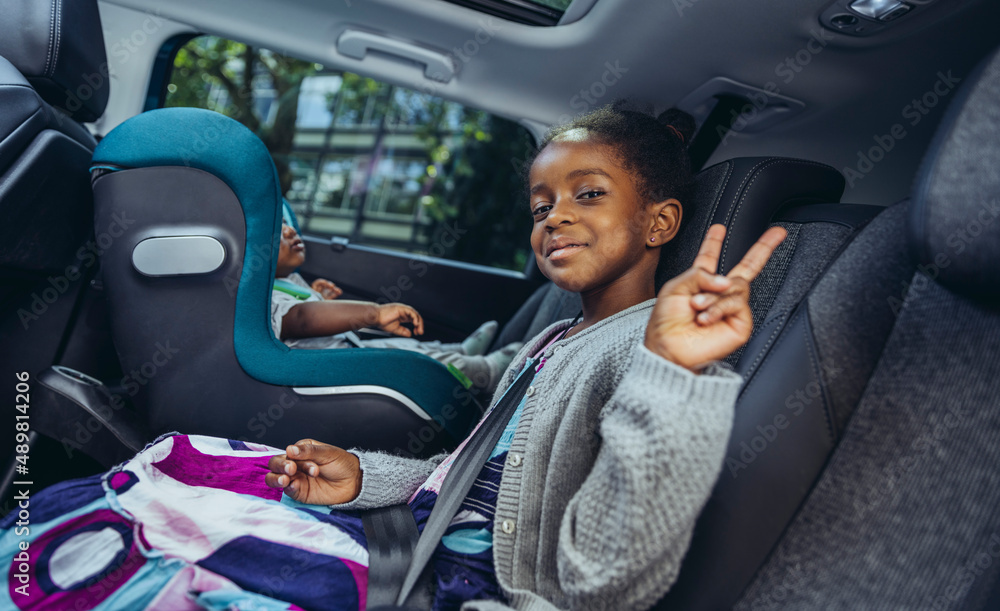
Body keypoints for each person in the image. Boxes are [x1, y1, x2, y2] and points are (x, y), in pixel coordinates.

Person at [0, 104, 785, 611]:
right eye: (541, 204)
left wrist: (675, 374)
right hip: (419, 535)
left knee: (137, 562)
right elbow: (477, 482)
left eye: (588, 195)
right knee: (167, 469)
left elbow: (608, 581)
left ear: (660, 222)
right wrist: (364, 477)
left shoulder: (650, 354)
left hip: (468, 586)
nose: (553, 219)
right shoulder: (560, 338)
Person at [271, 220, 518, 390]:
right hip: (333, 367)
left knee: (406, 344)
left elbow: (308, 313)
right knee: (414, 359)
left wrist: (318, 298)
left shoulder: (287, 280)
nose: (290, 230)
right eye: (277, 232)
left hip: (348, 350)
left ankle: (461, 351)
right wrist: (374, 314)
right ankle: (486, 372)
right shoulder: (264, 298)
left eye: (286, 224)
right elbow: (302, 319)